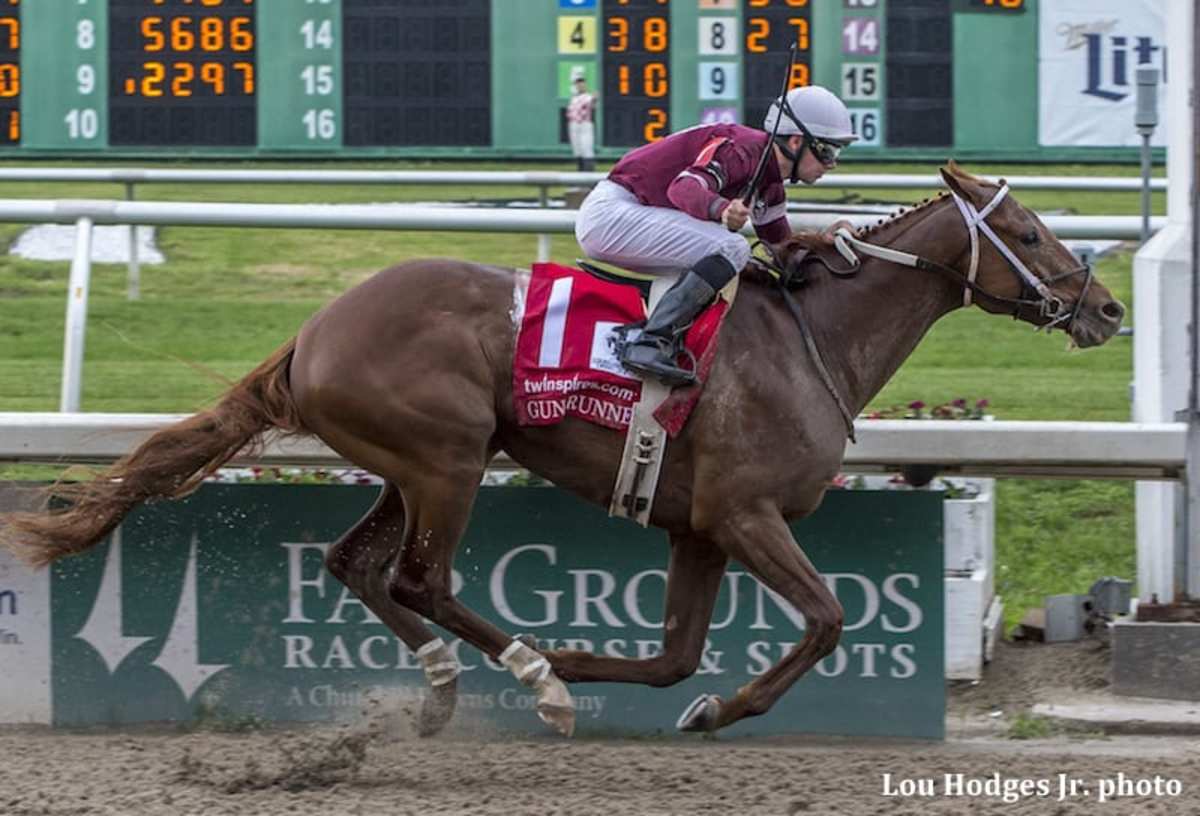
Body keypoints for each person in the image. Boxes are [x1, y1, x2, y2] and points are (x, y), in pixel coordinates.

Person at [575, 85, 856, 386]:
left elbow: (781, 249)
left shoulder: (771, 185)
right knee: (733, 247)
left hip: (635, 216)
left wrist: (823, 243)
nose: (832, 164)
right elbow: (682, 189)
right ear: (797, 141)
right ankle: (650, 344)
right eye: (827, 151)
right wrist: (721, 209)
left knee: (740, 260)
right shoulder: (741, 149)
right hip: (612, 214)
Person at [566, 67, 597, 172]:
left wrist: (595, 98)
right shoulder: (573, 98)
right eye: (578, 83)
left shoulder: (587, 97)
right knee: (577, 150)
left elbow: (593, 100)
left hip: (584, 125)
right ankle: (580, 176)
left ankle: (589, 177)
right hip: (574, 125)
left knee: (586, 149)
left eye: (582, 83)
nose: (580, 85)